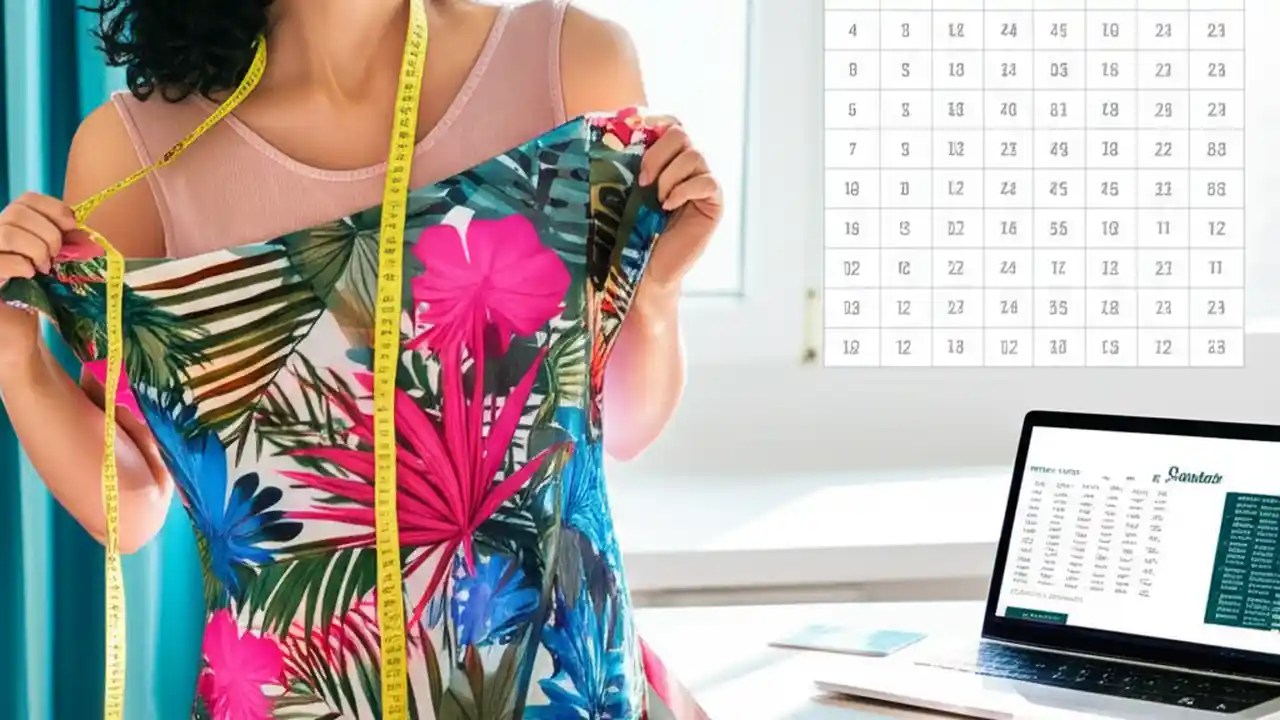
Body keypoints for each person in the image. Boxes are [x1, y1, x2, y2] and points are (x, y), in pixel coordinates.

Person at [0, 0, 720, 717]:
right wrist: (17, 362)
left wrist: (653, 292)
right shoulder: (134, 152)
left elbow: (621, 428)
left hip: (570, 688)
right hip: (299, 698)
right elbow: (134, 505)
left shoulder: (567, 63)